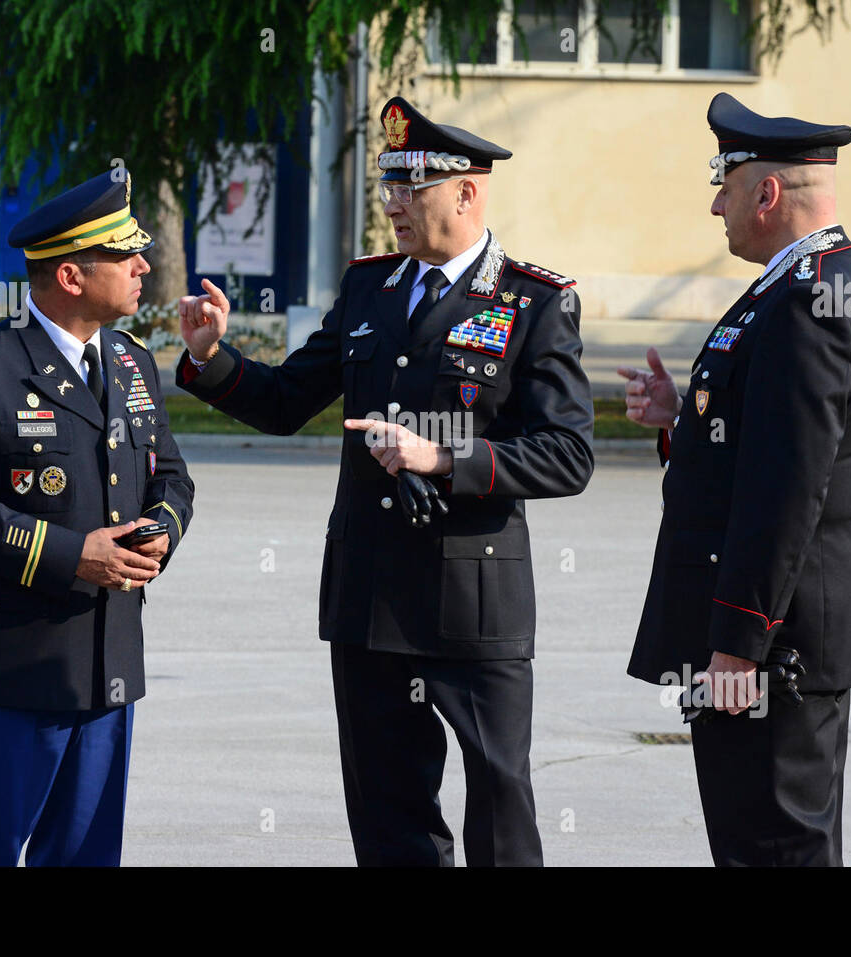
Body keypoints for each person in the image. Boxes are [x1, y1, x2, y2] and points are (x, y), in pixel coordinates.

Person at [176, 96, 594, 866]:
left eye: (412, 189)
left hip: (474, 598)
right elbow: (286, 401)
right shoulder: (371, 287)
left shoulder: (534, 301)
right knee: (386, 811)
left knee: (500, 805)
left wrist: (444, 458)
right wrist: (213, 359)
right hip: (370, 595)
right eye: (387, 187)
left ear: (467, 193)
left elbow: (568, 453)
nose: (393, 206)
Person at [620, 93, 851, 866]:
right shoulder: (818, 280)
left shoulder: (806, 300)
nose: (718, 206)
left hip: (776, 643)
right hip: (790, 631)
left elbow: (787, 491)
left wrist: (740, 647)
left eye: (726, 185)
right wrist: (684, 419)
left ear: (768, 193)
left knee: (773, 849)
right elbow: (771, 447)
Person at [0, 170, 194, 866]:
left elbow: (172, 476)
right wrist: (76, 556)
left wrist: (158, 531)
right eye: (125, 255)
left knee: (87, 857)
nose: (143, 266)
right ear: (71, 275)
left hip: (107, 667)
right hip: (11, 668)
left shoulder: (132, 362)